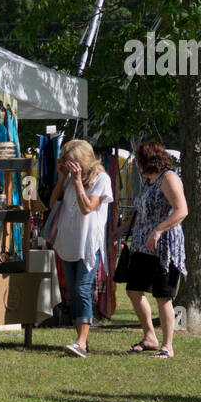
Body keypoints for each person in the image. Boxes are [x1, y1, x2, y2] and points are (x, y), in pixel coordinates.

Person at [119, 141, 188, 359]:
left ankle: (168, 346)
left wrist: (158, 230)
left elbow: (181, 210)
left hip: (163, 247)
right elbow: (141, 211)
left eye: (139, 160)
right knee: (133, 290)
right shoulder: (149, 182)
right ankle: (150, 336)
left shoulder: (169, 178)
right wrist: (119, 230)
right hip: (142, 246)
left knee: (163, 296)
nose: (137, 165)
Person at [49, 139, 112, 357]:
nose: (69, 166)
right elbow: (51, 203)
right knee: (74, 293)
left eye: (71, 162)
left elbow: (87, 208)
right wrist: (62, 177)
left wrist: (77, 182)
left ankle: (81, 342)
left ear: (82, 160)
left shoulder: (101, 178)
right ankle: (81, 341)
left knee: (83, 289)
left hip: (88, 244)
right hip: (68, 242)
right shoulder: (68, 178)